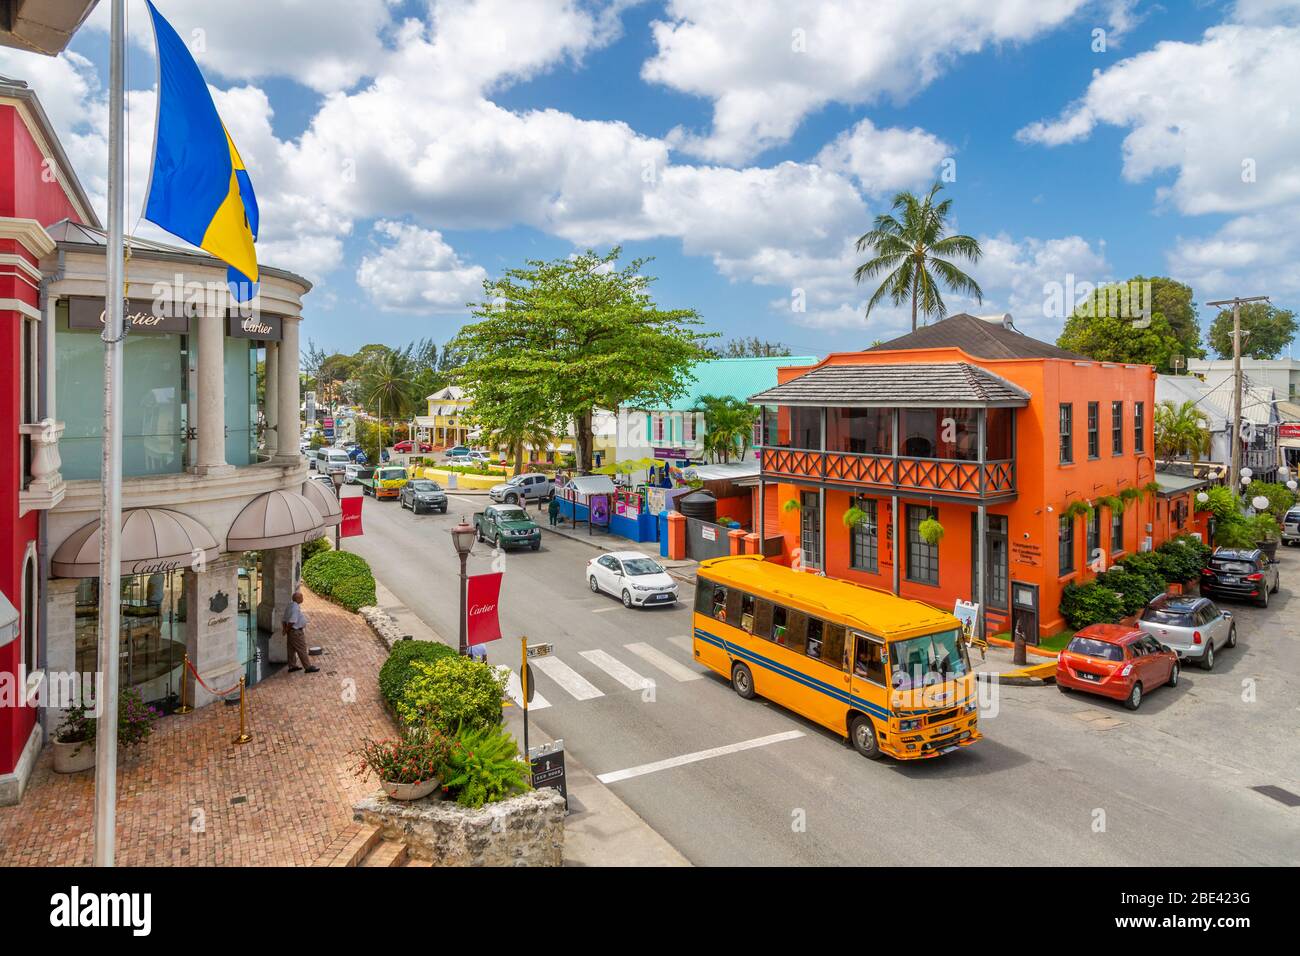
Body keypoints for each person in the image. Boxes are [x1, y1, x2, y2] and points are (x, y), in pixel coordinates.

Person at [282, 591, 319, 673]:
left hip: (291, 632)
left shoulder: (290, 605)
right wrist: (286, 630)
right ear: (298, 599)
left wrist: (285, 629)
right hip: (296, 632)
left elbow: (284, 619)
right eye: (302, 597)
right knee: (301, 649)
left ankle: (292, 666)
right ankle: (308, 667)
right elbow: (292, 621)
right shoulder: (295, 608)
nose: (303, 599)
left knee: (291, 649)